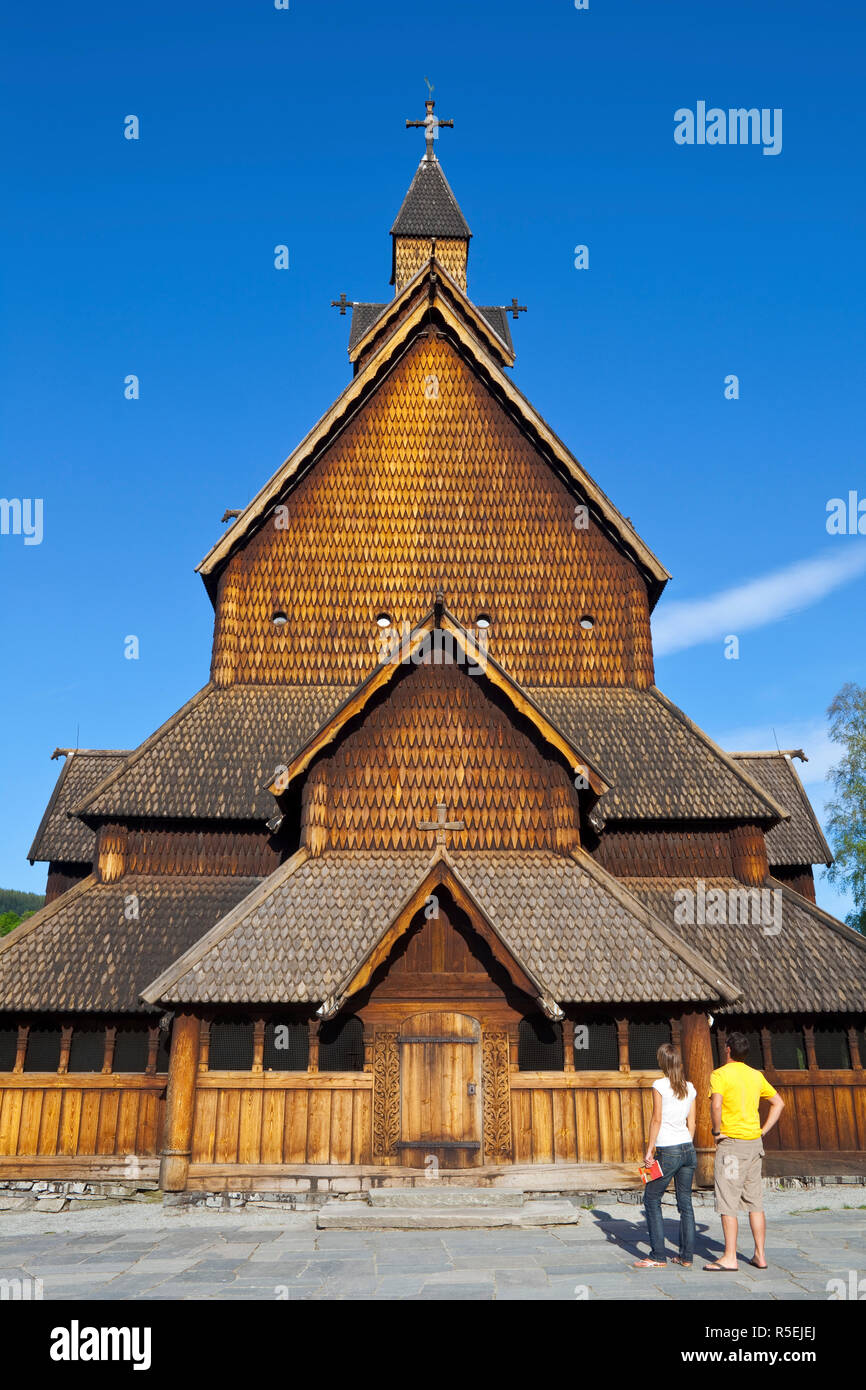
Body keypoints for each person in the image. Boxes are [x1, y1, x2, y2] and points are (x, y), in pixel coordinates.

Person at [704, 1031, 785, 1272]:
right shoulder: (755, 1075)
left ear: (728, 1049)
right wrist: (762, 1130)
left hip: (732, 1145)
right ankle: (760, 1254)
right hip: (754, 1143)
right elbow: (778, 1103)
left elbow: (716, 1104)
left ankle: (729, 1257)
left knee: (728, 1199)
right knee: (754, 1202)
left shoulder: (720, 1074)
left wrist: (716, 1131)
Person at [633, 1043, 697, 1269]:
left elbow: (656, 1119)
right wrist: (685, 1144)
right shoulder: (690, 1087)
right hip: (688, 1149)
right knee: (685, 1204)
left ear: (662, 1062)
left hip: (667, 1149)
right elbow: (693, 1123)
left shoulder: (659, 1085)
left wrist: (650, 1149)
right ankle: (687, 1257)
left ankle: (658, 1255)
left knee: (651, 1199)